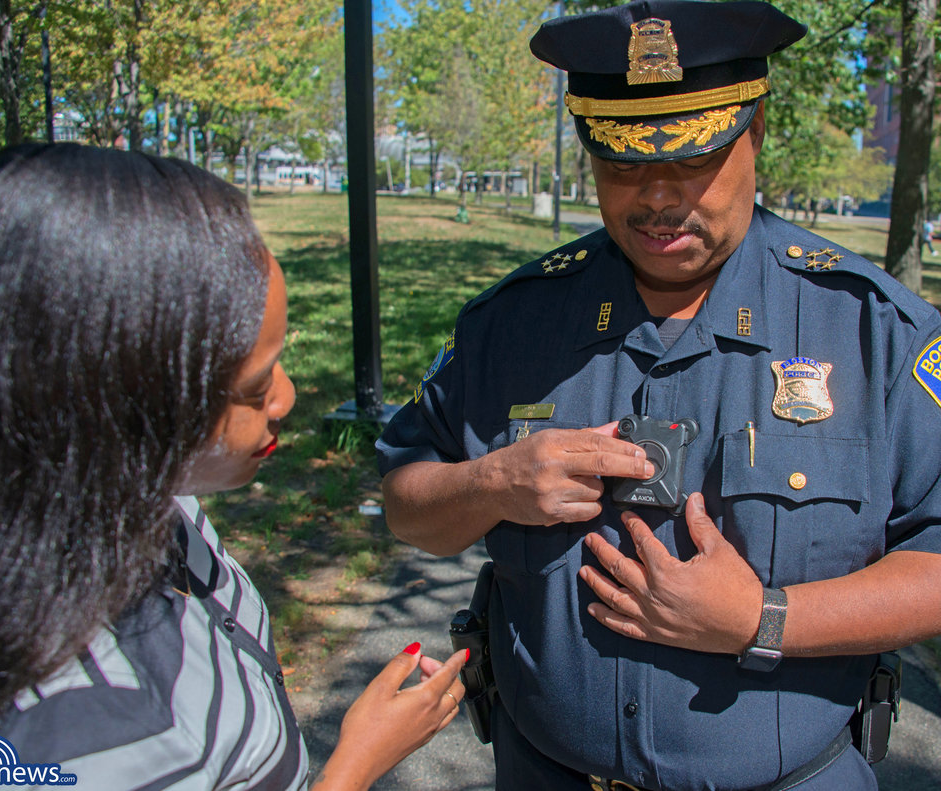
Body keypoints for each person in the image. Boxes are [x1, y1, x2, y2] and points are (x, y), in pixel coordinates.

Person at [375, 1, 941, 789]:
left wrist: (761, 618)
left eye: (693, 158)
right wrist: (491, 480)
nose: (657, 197)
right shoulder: (513, 324)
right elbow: (405, 503)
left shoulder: (874, 330)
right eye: (623, 163)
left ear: (757, 130)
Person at [0, 142, 467, 789]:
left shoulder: (157, 507)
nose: (287, 398)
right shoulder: (94, 732)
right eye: (252, 388)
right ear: (115, 402)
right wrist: (355, 762)